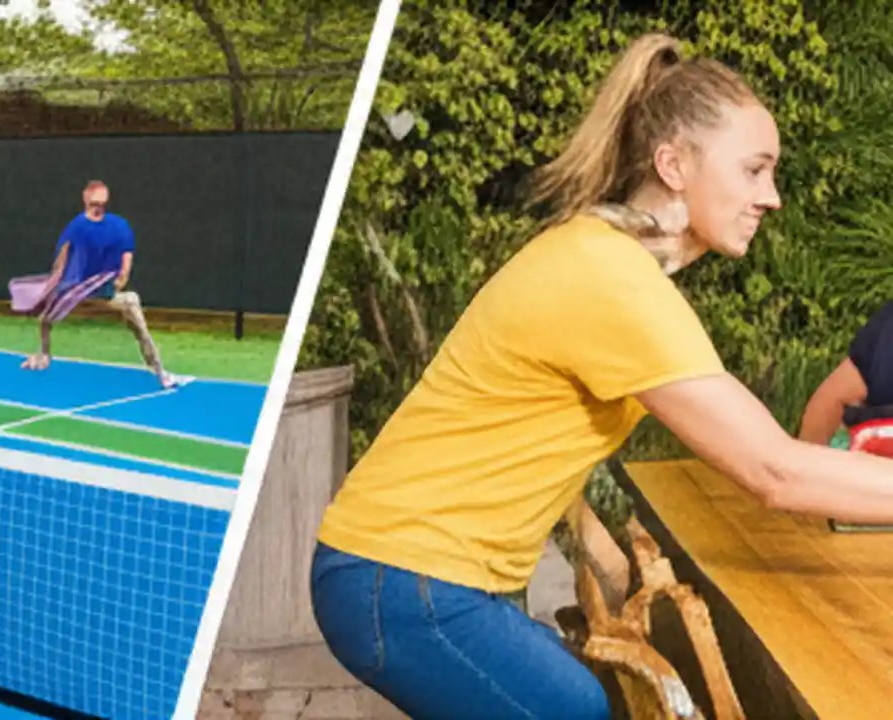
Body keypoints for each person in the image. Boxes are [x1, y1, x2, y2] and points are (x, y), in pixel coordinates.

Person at [309, 33, 893, 720]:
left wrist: (604, 559)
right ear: (674, 165)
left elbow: (539, 433)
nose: (773, 197)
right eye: (754, 170)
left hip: (399, 577)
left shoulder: (601, 258)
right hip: (405, 584)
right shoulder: (612, 280)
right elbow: (776, 472)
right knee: (581, 707)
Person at [20, 180, 181, 389]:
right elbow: (61, 261)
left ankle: (160, 372)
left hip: (105, 292)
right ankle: (44, 356)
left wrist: (121, 279)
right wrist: (51, 289)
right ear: (85, 199)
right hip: (77, 293)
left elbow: (126, 258)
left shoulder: (119, 226)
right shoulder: (76, 226)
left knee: (136, 315)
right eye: (94, 202)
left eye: (102, 203)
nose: (98, 207)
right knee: (44, 320)